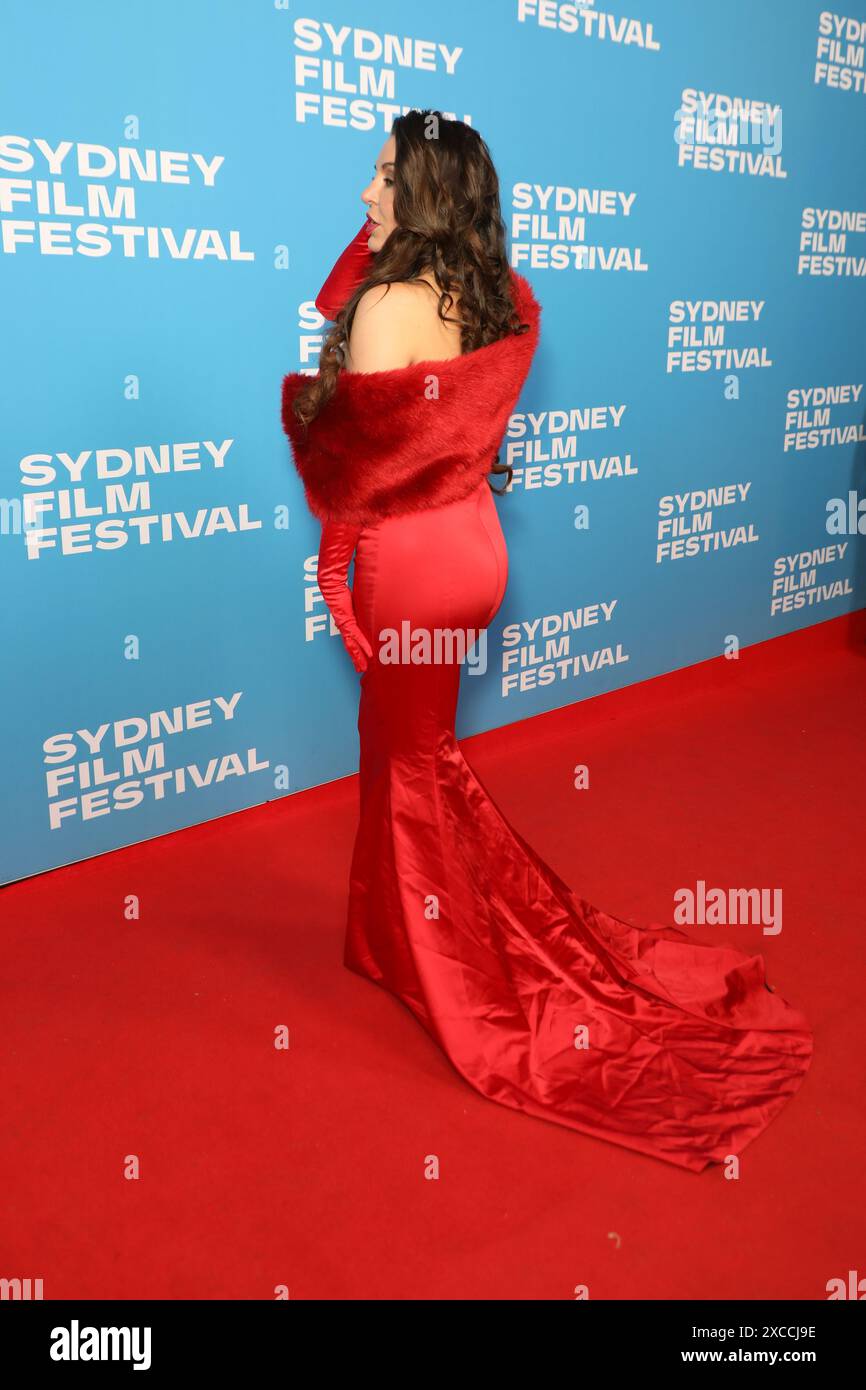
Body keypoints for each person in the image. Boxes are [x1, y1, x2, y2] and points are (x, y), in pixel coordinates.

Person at [281, 109, 813, 1173]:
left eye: (382, 177)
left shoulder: (389, 302)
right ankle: (394, 939)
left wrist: (311, 416)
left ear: (424, 191)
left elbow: (365, 461)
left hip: (414, 559)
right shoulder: (479, 297)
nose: (362, 196)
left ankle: (465, 989)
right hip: (470, 547)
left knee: (405, 773)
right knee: (411, 758)